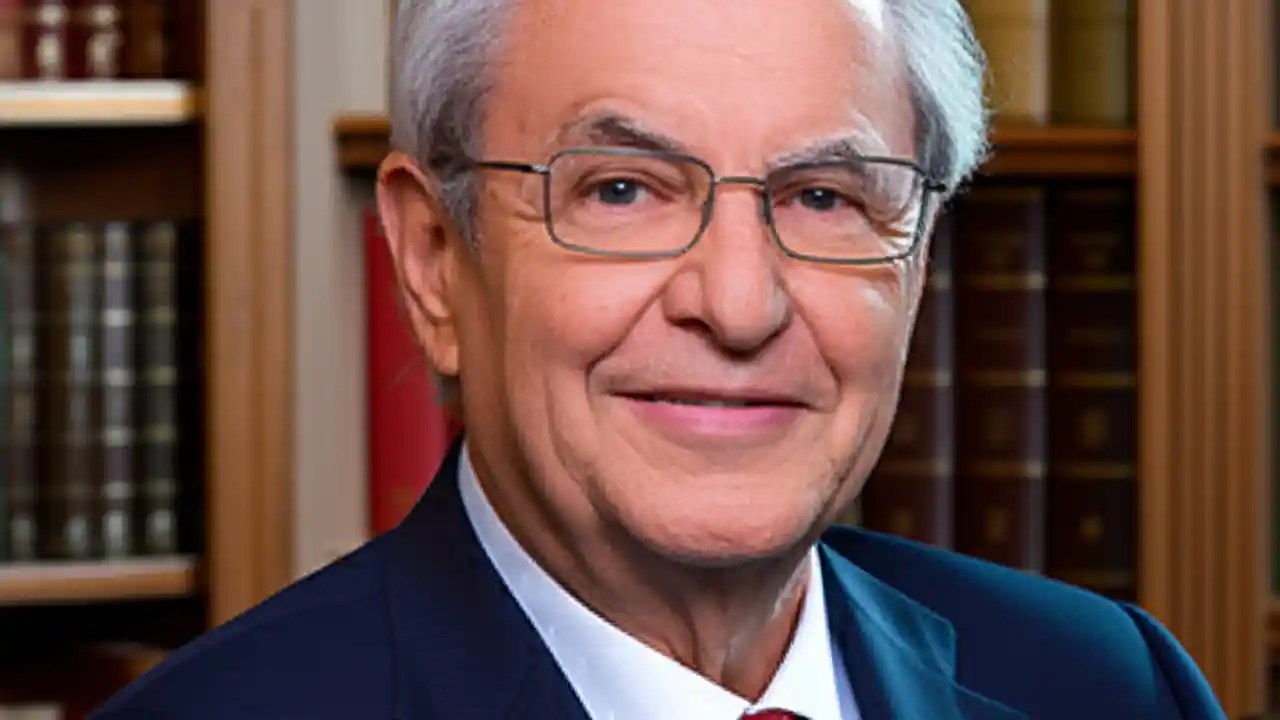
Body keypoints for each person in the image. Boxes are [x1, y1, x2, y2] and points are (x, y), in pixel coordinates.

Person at [97, 0, 1225, 718]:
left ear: (917, 260)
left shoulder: (1108, 686)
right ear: (435, 261)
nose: (736, 306)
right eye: (622, 190)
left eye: (823, 197)